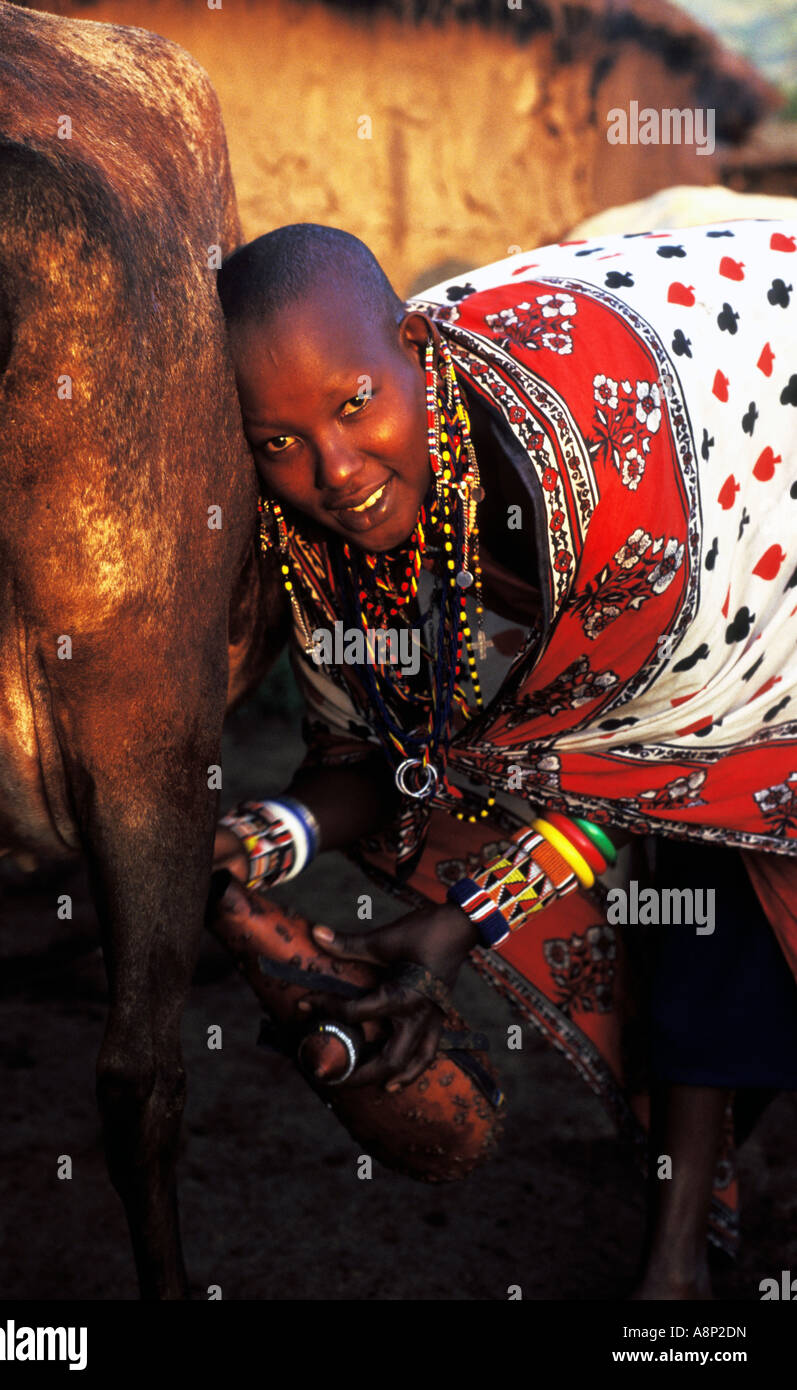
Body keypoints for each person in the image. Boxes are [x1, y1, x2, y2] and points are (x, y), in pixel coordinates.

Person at [213, 221, 797, 1299]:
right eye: (276, 441)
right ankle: (680, 1251)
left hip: (764, 555)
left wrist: (462, 920)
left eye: (355, 403)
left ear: (416, 350)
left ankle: (679, 1255)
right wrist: (253, 845)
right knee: (704, 939)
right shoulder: (325, 541)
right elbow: (381, 753)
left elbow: (650, 767)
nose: (334, 470)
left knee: (722, 901)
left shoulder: (603, 478)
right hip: (666, 697)